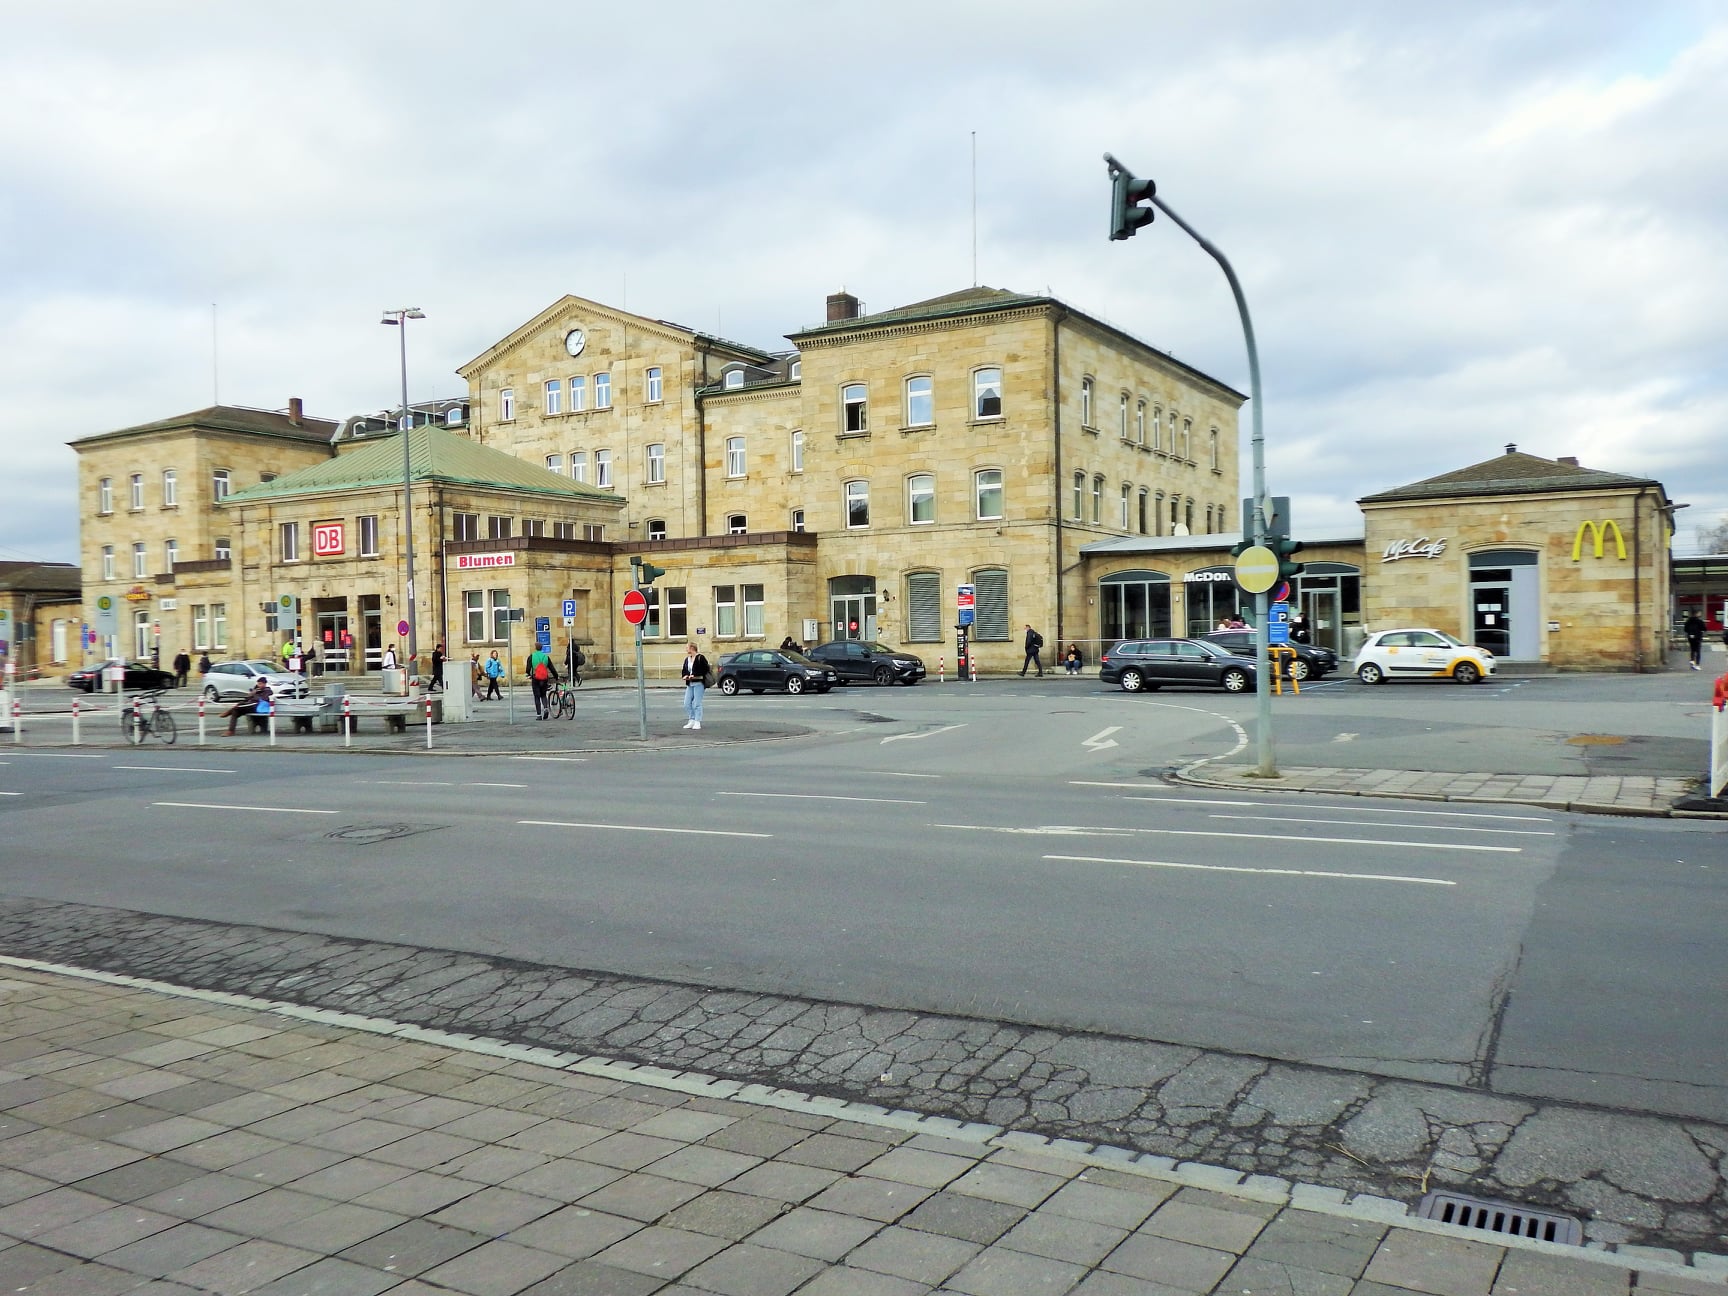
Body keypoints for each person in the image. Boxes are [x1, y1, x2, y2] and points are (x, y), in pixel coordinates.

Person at [680, 641, 710, 730]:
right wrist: (685, 675)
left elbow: (705, 669)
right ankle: (691, 719)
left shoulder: (700, 658)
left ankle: (697, 721)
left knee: (697, 703)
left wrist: (695, 674)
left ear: (692, 648)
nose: (686, 649)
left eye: (687, 647)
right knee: (686, 703)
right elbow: (684, 669)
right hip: (690, 683)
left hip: (699, 683)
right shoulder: (687, 659)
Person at [526, 643, 557, 719]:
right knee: (543, 695)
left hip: (535, 678)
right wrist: (556, 676)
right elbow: (552, 668)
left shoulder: (531, 656)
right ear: (542, 648)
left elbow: (528, 669)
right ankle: (546, 708)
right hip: (544, 678)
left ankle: (539, 715)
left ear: (535, 648)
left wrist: (528, 674)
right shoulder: (546, 657)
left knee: (537, 696)